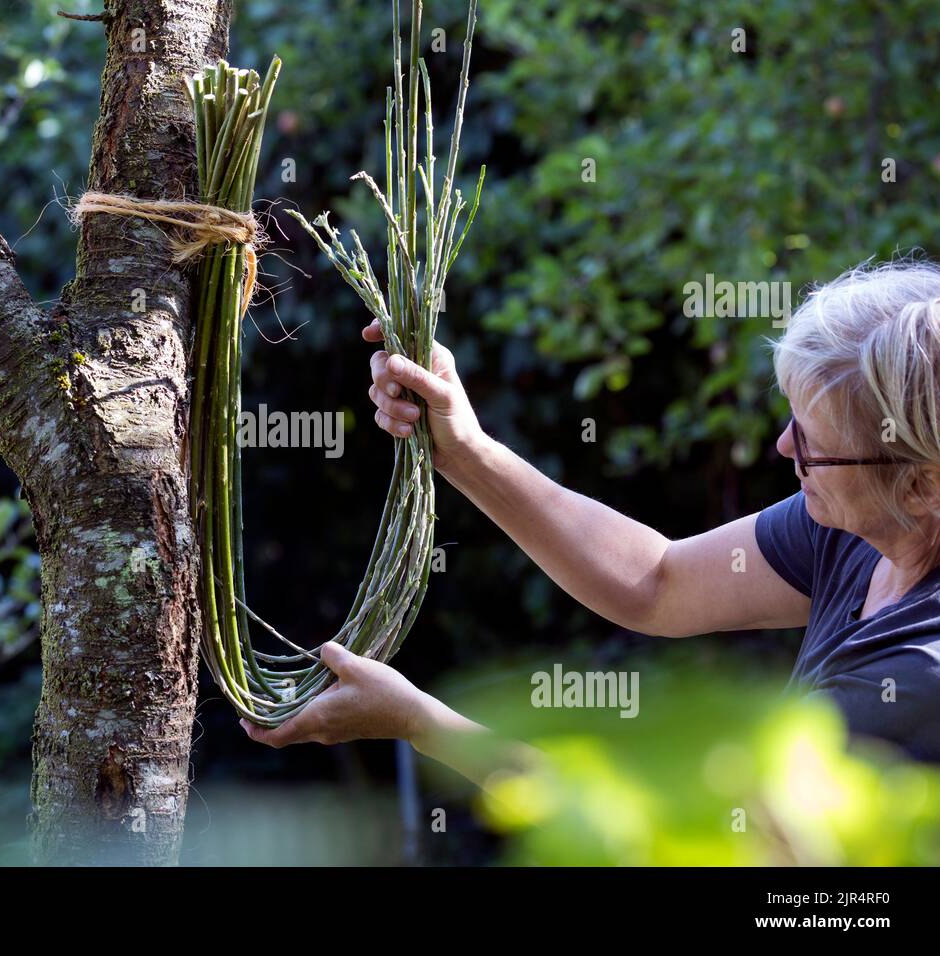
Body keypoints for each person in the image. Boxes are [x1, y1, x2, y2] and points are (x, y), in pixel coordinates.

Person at [242, 260, 940, 780]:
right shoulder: (858, 526)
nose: (786, 448)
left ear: (920, 485)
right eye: (793, 419)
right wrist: (464, 449)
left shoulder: (916, 681)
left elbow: (667, 836)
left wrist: (418, 724)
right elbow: (658, 581)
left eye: (816, 443)